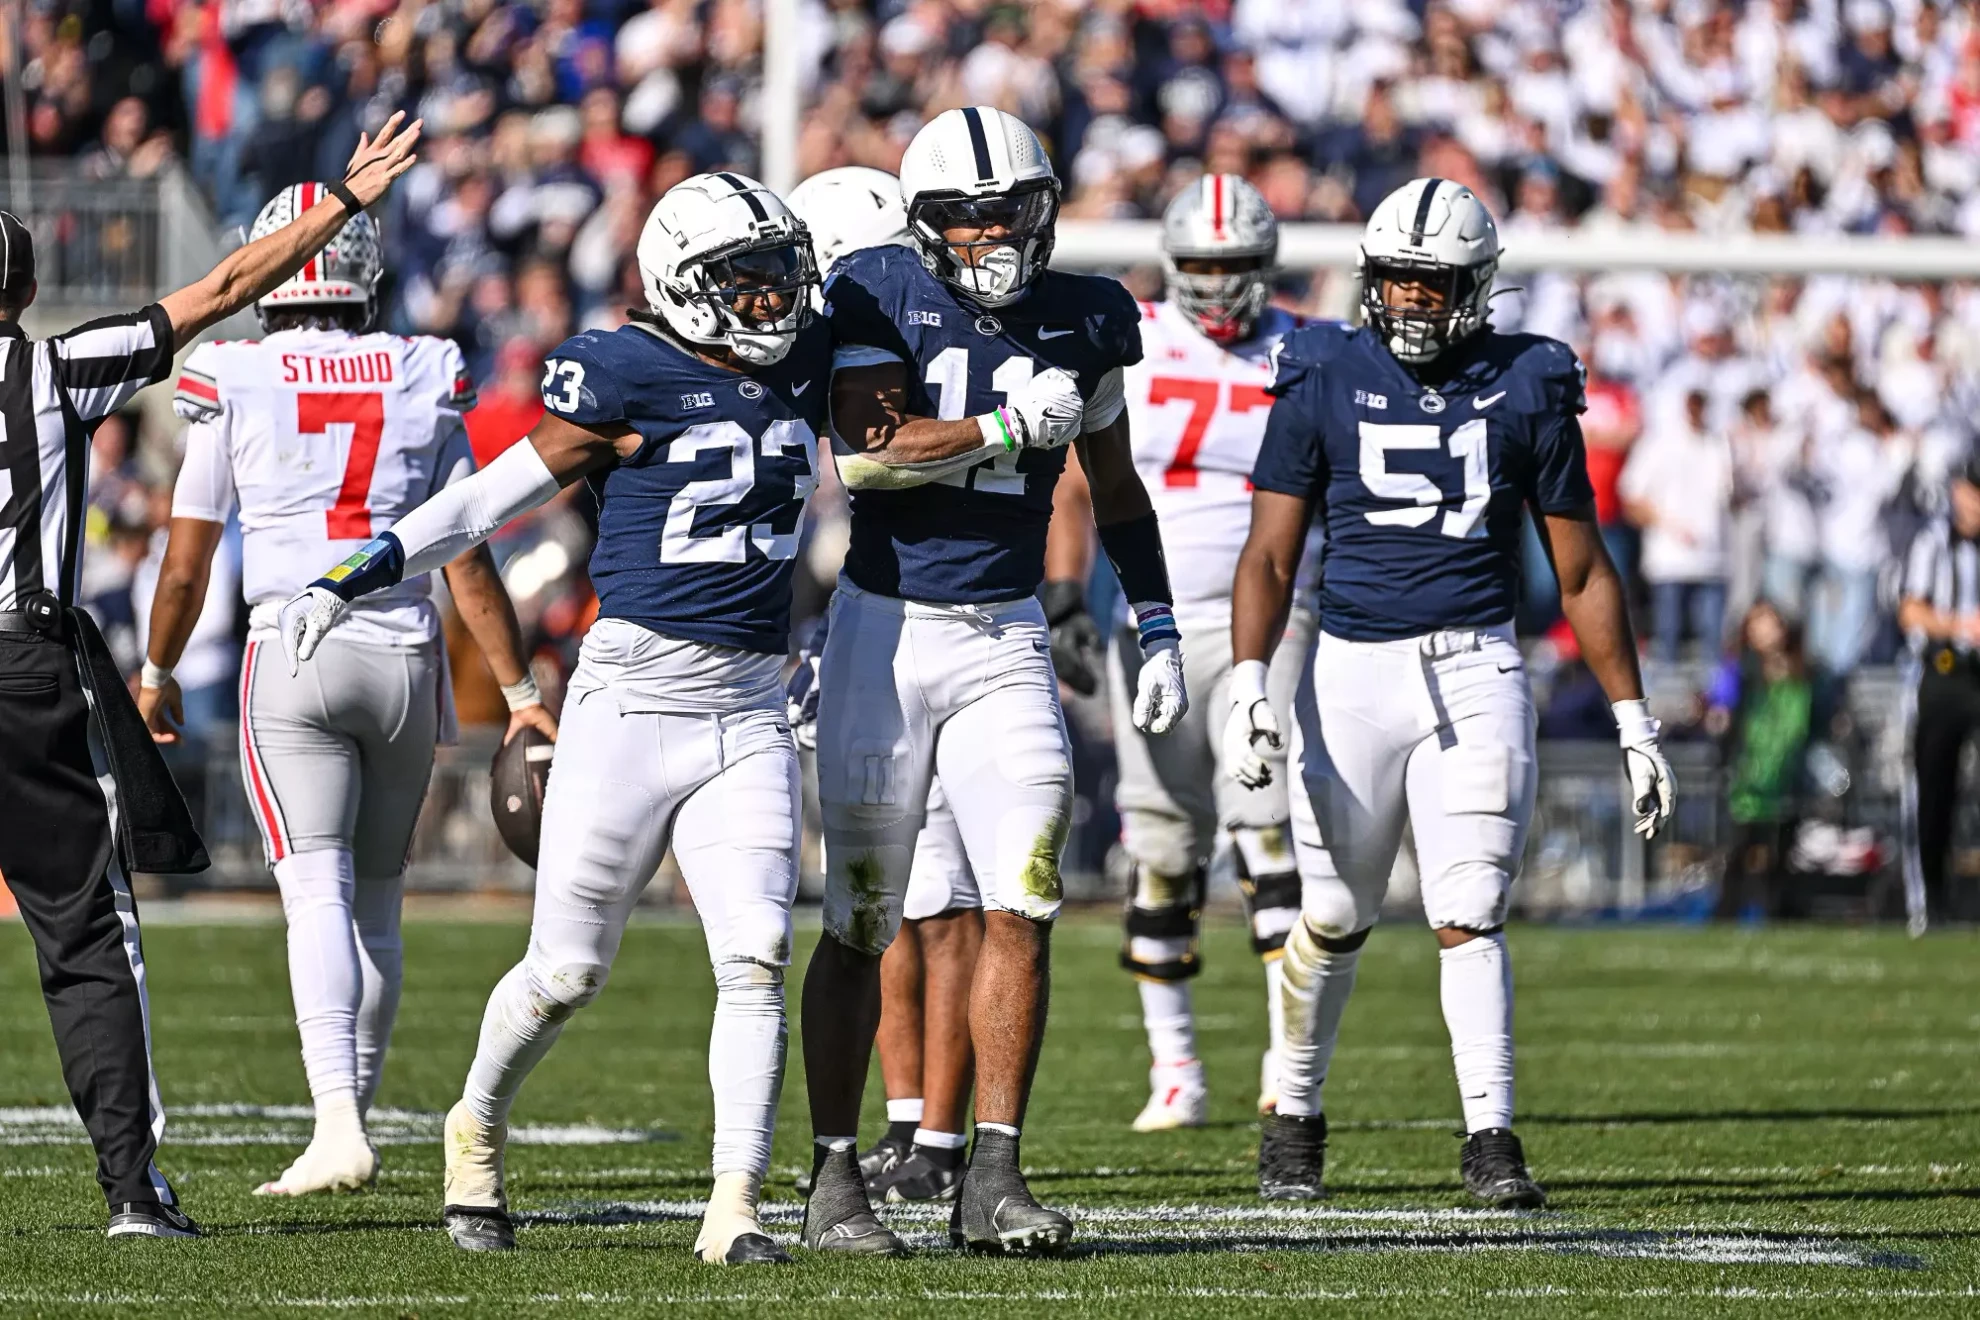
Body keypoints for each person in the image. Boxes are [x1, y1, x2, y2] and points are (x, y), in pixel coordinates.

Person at [278, 172, 827, 1264]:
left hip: (751, 708)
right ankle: (474, 1125)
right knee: (568, 970)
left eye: (779, 277)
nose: (774, 300)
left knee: (757, 953)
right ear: (685, 283)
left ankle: (735, 1204)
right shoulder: (624, 371)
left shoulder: (808, 365)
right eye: (748, 281)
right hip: (629, 702)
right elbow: (489, 500)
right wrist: (361, 569)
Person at [0, 113, 423, 1240]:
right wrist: (341, 204)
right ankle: (133, 1188)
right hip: (23, 665)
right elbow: (227, 285)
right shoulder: (48, 366)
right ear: (23, 290)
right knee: (89, 934)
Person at [1225, 177, 1676, 1206]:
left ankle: (1492, 1139)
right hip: (1349, 670)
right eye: (1398, 284)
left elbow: (1583, 568)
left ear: (1475, 288)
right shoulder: (1322, 373)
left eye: (1434, 286)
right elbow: (1269, 555)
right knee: (1333, 913)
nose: (1414, 303)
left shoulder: (1529, 382)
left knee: (1468, 909)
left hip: (1476, 665)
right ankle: (1293, 1112)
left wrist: (1632, 717)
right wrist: (1252, 677)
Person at [799, 107, 1188, 1258]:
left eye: (1009, 209)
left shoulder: (1088, 312)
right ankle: (833, 1178)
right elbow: (865, 447)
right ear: (923, 225)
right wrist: (999, 423)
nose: (990, 231)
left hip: (1008, 631)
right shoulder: (874, 289)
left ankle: (994, 1172)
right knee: (864, 919)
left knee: (1025, 892)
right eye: (965, 214)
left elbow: (1114, 490)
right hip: (887, 629)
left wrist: (1154, 619)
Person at [137, 183, 556, 1196]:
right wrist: (519, 689)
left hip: (299, 644)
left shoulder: (233, 372)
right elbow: (465, 554)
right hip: (405, 653)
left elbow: (189, 560)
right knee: (378, 904)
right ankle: (351, 1116)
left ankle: (336, 1124)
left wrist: (154, 670)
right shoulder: (421, 368)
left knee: (312, 890)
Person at [1057, 174, 1318, 1129]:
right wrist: (1063, 597)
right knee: (1161, 849)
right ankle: (1177, 1070)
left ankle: (1293, 1062)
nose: (1215, 283)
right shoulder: (1130, 336)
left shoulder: (1303, 348)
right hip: (1152, 624)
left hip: (1275, 619)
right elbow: (1079, 486)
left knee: (1268, 837)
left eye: (1233, 265)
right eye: (1201, 263)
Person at [785, 167, 986, 1204]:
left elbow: (877, 458)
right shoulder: (853, 332)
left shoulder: (907, 317)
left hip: (955, 620)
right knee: (887, 904)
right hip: (875, 617)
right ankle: (912, 1122)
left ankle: (943, 1135)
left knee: (940, 901)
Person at [1896, 456, 1980, 931]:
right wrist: (1961, 625)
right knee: (1933, 789)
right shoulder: (1933, 542)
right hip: (1944, 671)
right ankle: (1929, 904)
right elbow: (1910, 611)